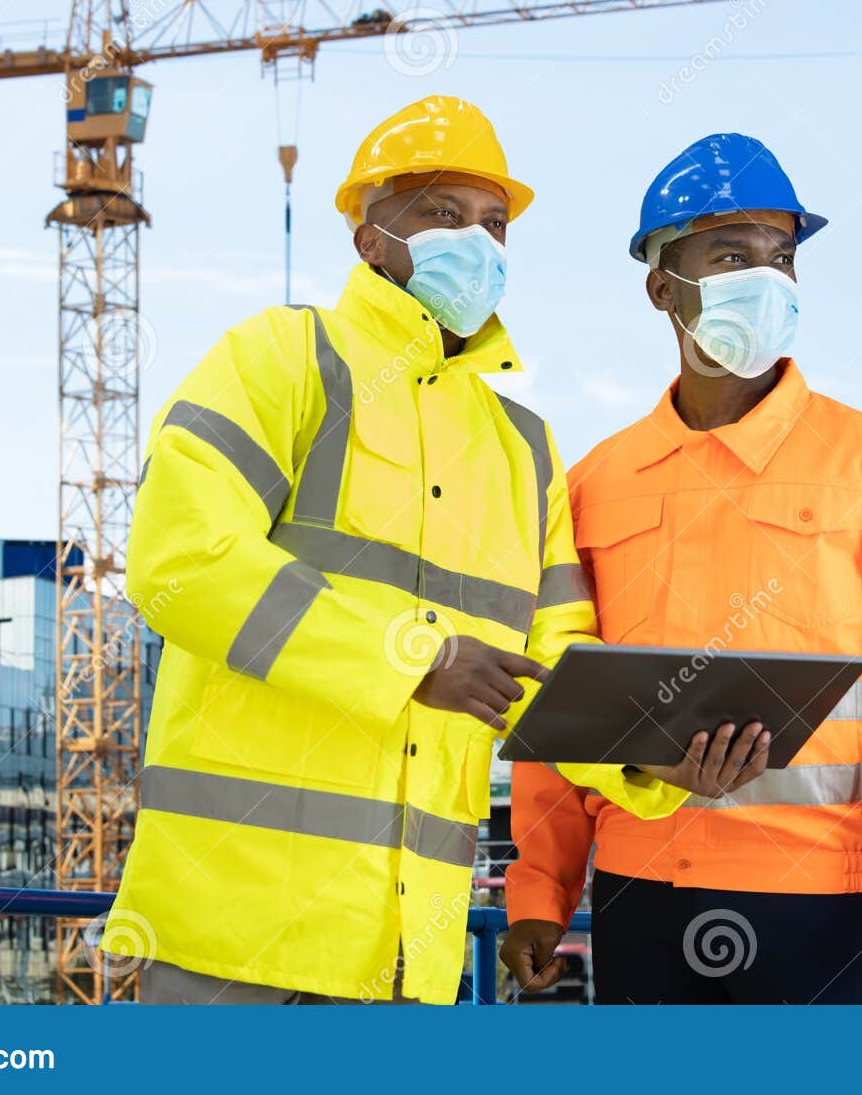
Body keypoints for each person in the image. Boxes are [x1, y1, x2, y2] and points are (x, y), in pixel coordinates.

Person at [101, 98, 768, 1005]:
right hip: (231, 942)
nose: (478, 242)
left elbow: (559, 670)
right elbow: (180, 561)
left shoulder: (521, 444)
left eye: (494, 224)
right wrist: (409, 659)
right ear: (369, 236)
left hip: (411, 960)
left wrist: (653, 761)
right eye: (442, 214)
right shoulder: (284, 358)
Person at [501, 133, 862, 1004]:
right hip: (639, 898)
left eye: (782, 257)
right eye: (732, 255)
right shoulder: (590, 485)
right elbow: (563, 706)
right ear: (663, 287)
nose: (766, 279)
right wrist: (540, 890)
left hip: (825, 903)